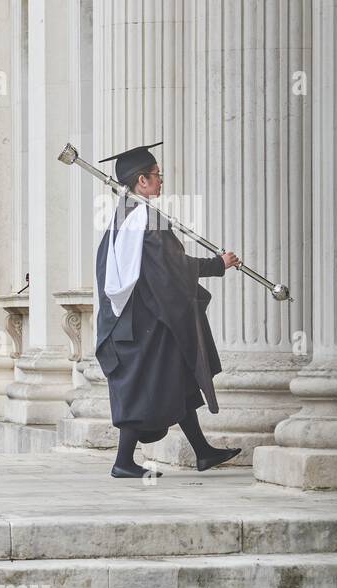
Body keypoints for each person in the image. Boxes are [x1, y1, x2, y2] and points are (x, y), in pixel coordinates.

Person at [94, 142, 243, 478]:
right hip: (144, 322)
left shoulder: (122, 216)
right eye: (157, 175)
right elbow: (172, 266)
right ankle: (123, 462)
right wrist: (217, 264)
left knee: (177, 377)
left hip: (134, 320)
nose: (162, 181)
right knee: (144, 384)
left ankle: (203, 452)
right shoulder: (144, 215)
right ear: (142, 181)